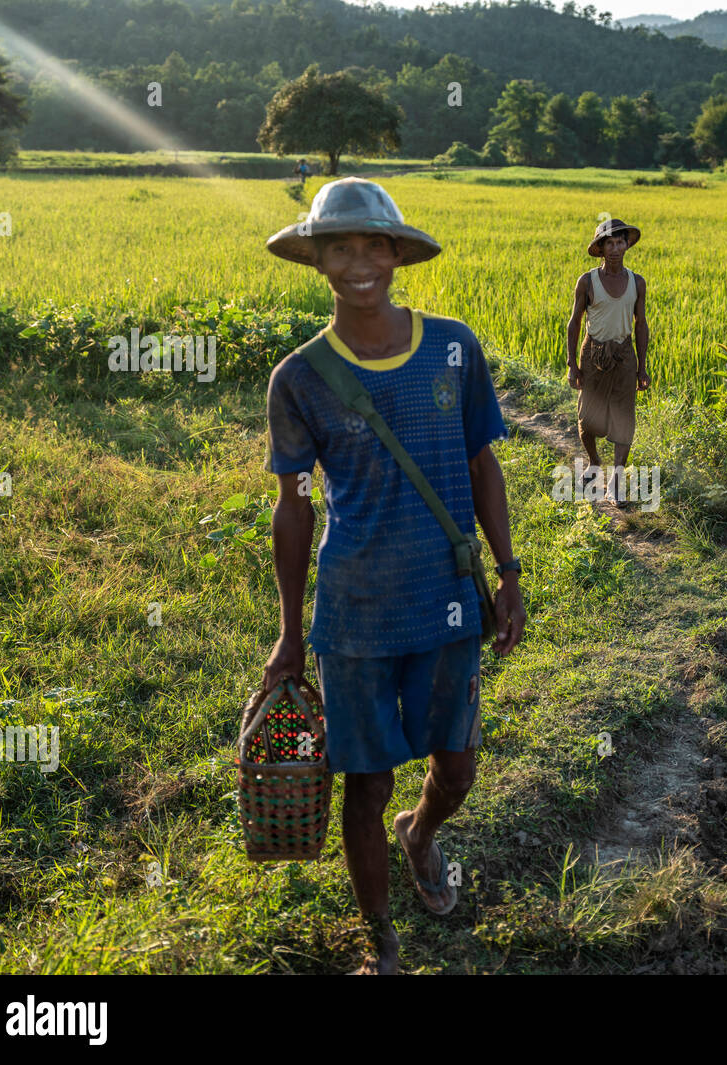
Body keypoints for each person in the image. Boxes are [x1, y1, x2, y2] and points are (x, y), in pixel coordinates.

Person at [261, 177, 526, 974]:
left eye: (372, 245)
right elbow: (295, 507)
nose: (358, 263)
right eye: (338, 246)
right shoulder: (299, 377)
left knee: (459, 767)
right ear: (317, 261)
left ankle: (423, 833)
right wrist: (286, 633)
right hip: (355, 613)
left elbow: (483, 462)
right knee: (364, 786)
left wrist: (508, 572)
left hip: (445, 601)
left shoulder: (454, 346)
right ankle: (381, 937)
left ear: (396, 254)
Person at [566, 217, 650, 505]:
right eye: (609, 243)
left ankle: (616, 479)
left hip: (625, 355)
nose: (615, 248)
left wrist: (642, 367)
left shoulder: (637, 282)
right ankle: (593, 462)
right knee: (588, 419)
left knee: (624, 418)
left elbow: (641, 325)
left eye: (619, 242)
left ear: (627, 245)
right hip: (593, 355)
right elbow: (574, 323)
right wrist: (572, 364)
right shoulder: (587, 281)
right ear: (600, 249)